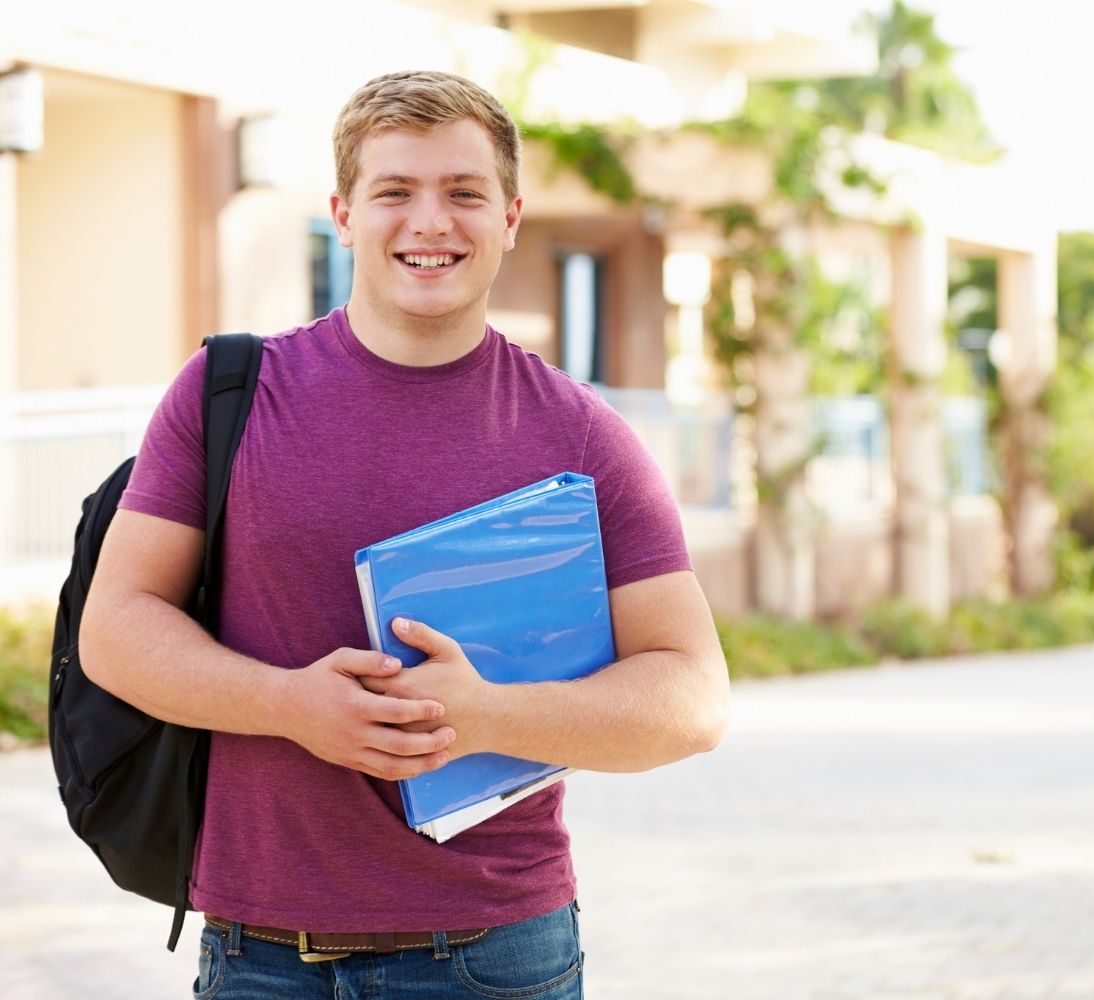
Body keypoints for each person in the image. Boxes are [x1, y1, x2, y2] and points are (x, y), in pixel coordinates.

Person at [78, 69, 730, 999]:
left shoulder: (581, 435)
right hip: (258, 952)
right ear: (343, 215)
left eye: (464, 192)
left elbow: (692, 697)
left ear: (509, 217)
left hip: (493, 954)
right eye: (395, 191)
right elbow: (115, 629)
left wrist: (485, 715)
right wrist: (289, 704)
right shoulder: (228, 394)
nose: (430, 222)